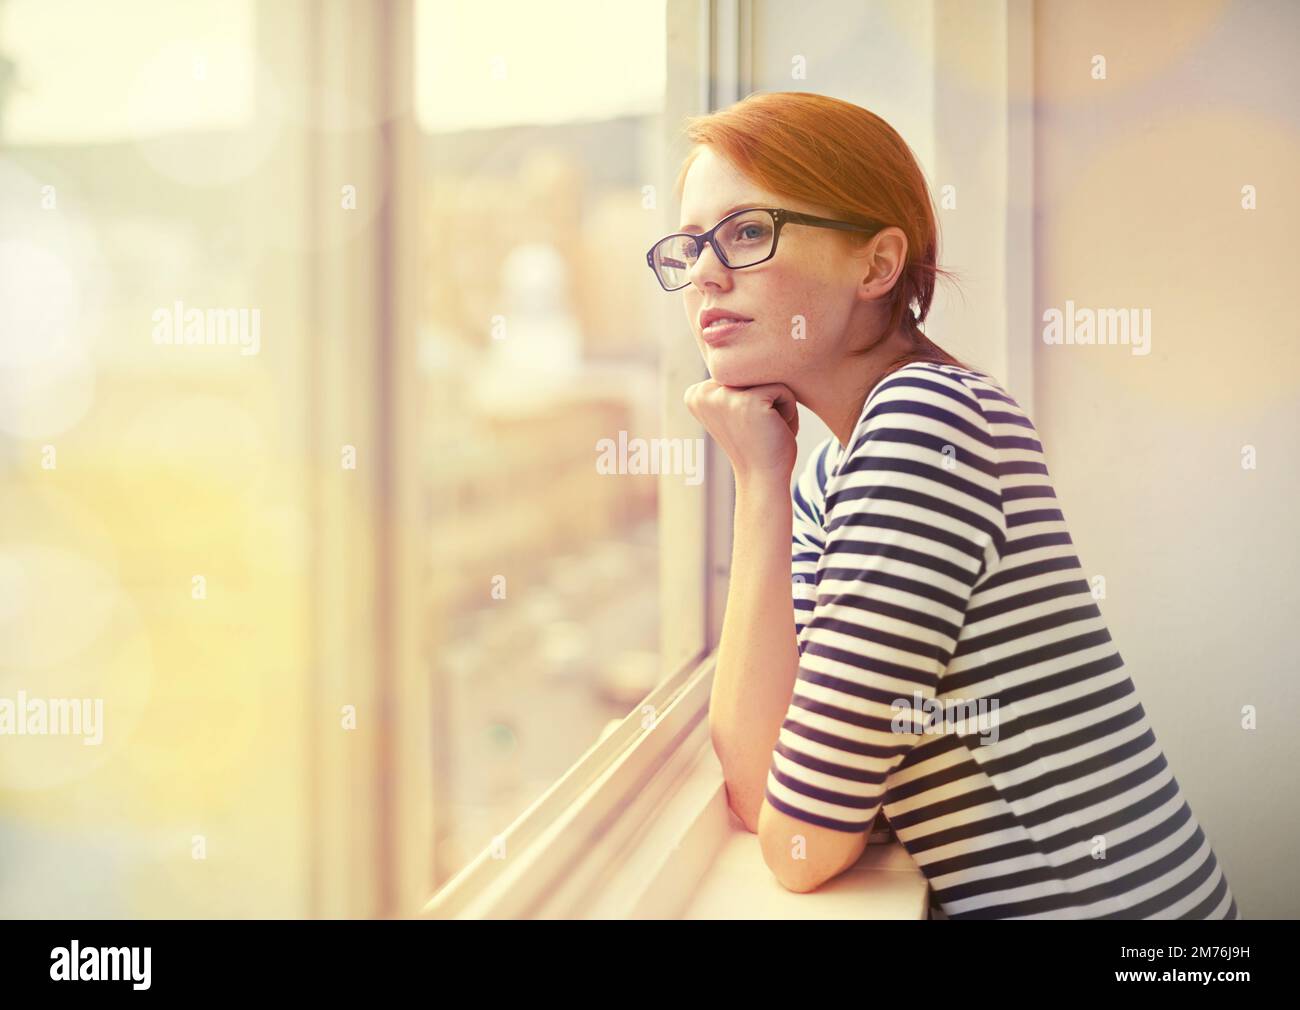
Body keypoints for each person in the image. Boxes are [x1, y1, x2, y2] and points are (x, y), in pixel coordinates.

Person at [647, 91, 1238, 919]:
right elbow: (765, 791)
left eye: (747, 232)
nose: (704, 273)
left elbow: (803, 844)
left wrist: (760, 482)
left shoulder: (928, 425)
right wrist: (760, 482)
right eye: (688, 245)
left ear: (876, 265)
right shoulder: (831, 474)